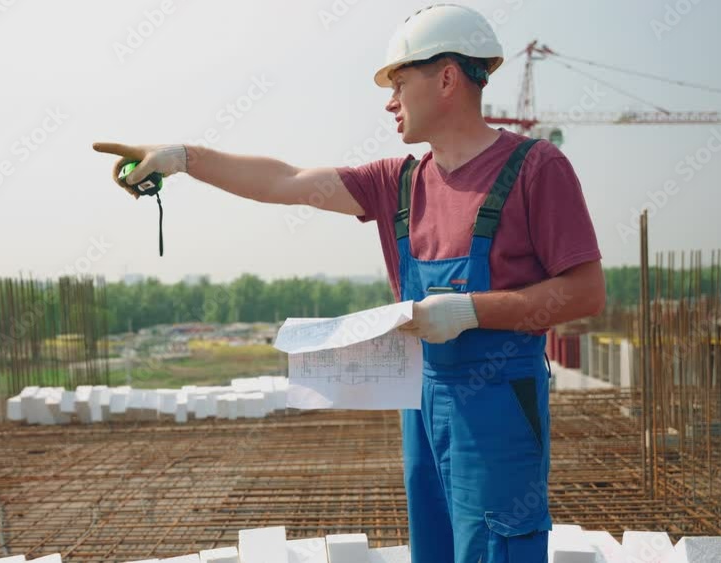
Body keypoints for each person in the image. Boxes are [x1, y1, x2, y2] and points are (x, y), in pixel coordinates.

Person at [94, 4, 605, 561]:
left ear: (447, 78)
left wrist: (469, 311)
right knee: (433, 549)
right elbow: (286, 180)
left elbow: (586, 291)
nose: (389, 101)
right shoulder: (399, 183)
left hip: (500, 408)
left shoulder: (536, 167)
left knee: (496, 549)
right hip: (422, 401)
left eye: (399, 83)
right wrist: (183, 158)